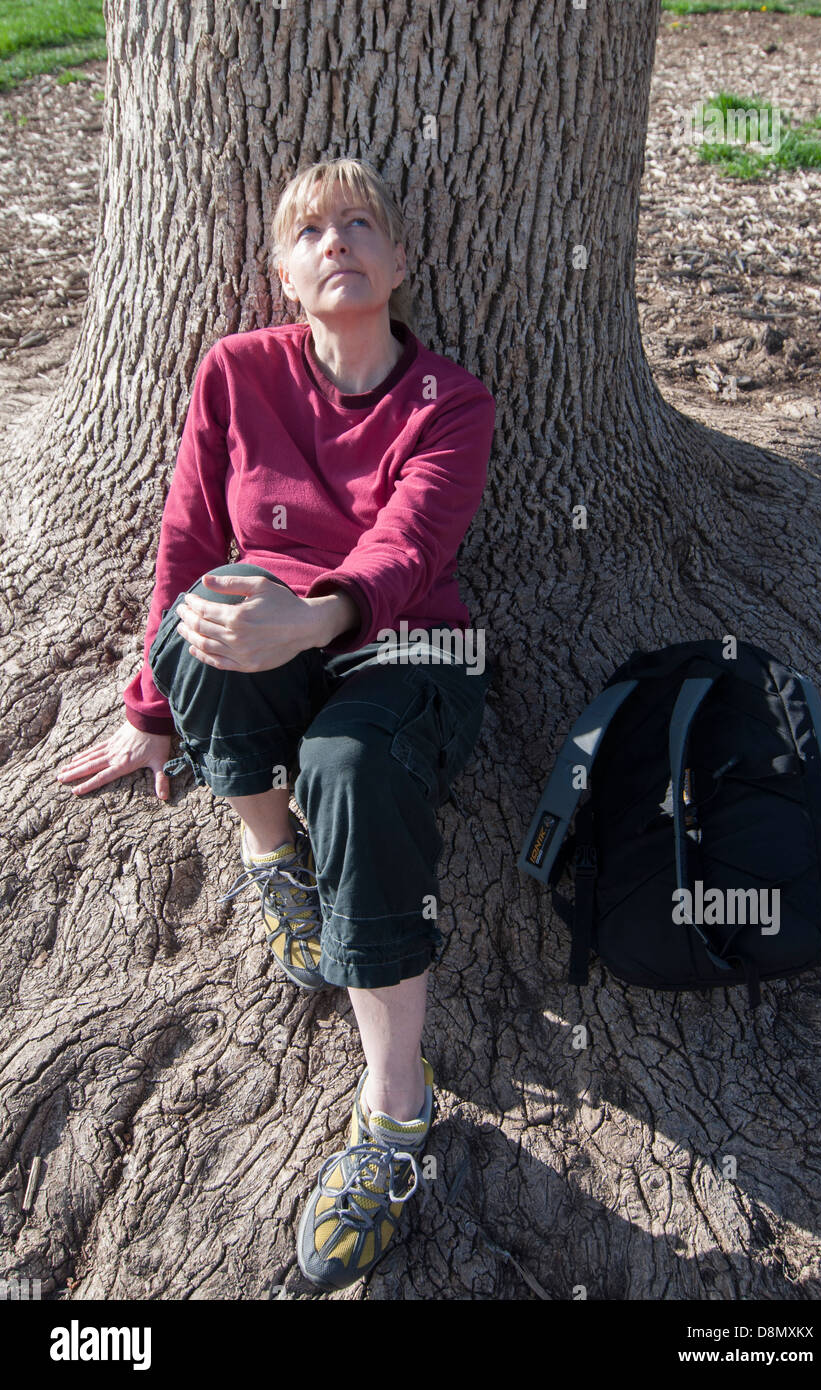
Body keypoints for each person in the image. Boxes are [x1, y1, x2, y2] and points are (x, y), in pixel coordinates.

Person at [56, 155, 496, 1291]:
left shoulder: (450, 399)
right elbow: (189, 539)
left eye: (362, 224)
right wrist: (153, 710)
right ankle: (270, 856)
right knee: (208, 607)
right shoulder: (237, 372)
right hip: (264, 642)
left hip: (408, 649)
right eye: (310, 230)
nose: (337, 241)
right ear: (282, 272)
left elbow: (408, 550)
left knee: (350, 765)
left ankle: (394, 1119)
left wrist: (309, 621)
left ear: (401, 263)